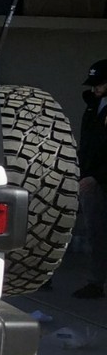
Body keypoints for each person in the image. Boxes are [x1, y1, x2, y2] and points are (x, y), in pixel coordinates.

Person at [74, 58, 107, 299]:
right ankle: (96, 282)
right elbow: (88, 145)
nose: (95, 88)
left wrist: (96, 176)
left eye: (100, 84)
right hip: (91, 181)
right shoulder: (93, 107)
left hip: (99, 179)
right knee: (95, 233)